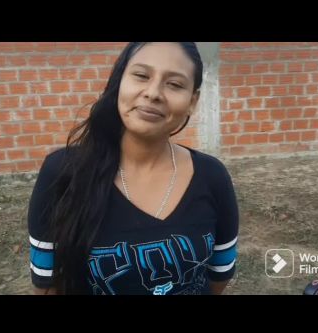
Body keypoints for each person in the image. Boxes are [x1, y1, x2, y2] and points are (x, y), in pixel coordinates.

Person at [27, 42, 239, 295]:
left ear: (192, 101)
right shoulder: (63, 172)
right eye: (141, 75)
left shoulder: (211, 176)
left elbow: (219, 274)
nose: (153, 93)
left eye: (174, 84)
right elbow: (48, 284)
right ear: (120, 82)